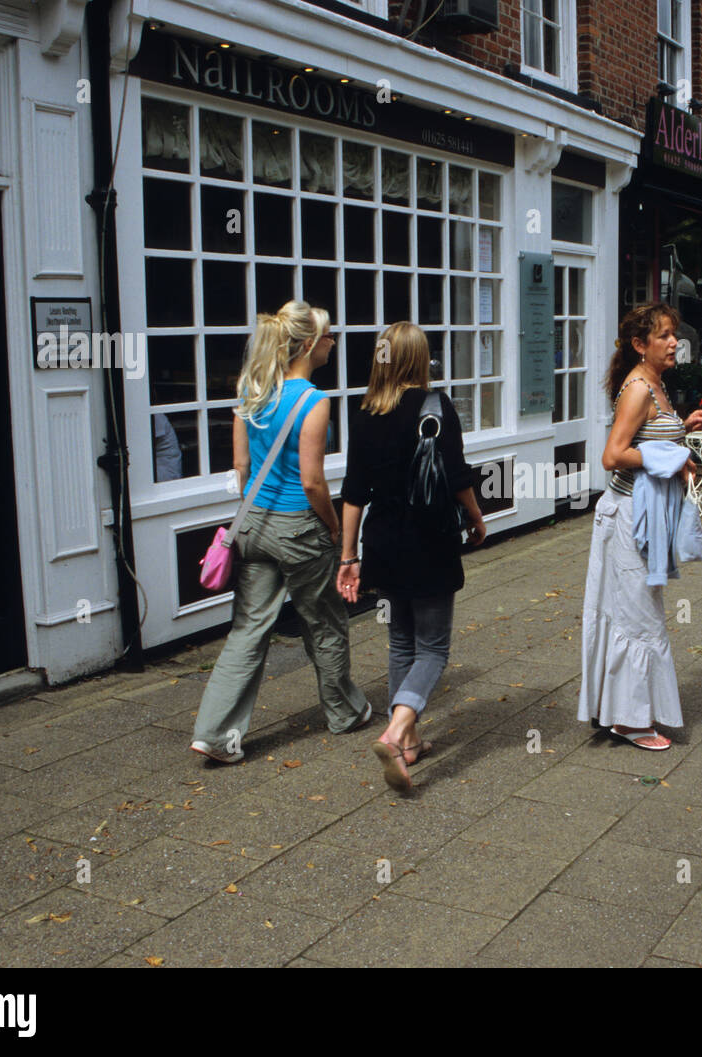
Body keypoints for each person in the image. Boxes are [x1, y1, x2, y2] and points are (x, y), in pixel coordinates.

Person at [192, 301, 370, 763]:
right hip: (299, 529)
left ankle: (214, 733)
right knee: (325, 622)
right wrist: (333, 527)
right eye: (331, 337)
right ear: (310, 344)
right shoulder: (313, 400)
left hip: (253, 526)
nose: (334, 343)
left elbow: (241, 466)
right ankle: (345, 712)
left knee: (248, 629)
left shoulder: (251, 394)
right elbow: (313, 482)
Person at [336, 322, 485, 791]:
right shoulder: (436, 408)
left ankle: (409, 745)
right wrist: (477, 517)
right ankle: (397, 729)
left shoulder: (364, 414)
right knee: (434, 647)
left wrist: (347, 556)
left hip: (383, 542)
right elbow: (458, 475)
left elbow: (354, 493)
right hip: (431, 540)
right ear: (420, 360)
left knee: (401, 642)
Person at [578, 304, 702, 751]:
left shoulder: (656, 383)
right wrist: (669, 456)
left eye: (674, 335)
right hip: (628, 514)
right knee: (637, 615)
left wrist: (681, 430)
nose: (674, 343)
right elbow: (613, 455)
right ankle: (630, 722)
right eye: (665, 336)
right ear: (640, 345)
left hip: (643, 512)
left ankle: (621, 710)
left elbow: (648, 441)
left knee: (637, 610)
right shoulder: (638, 388)